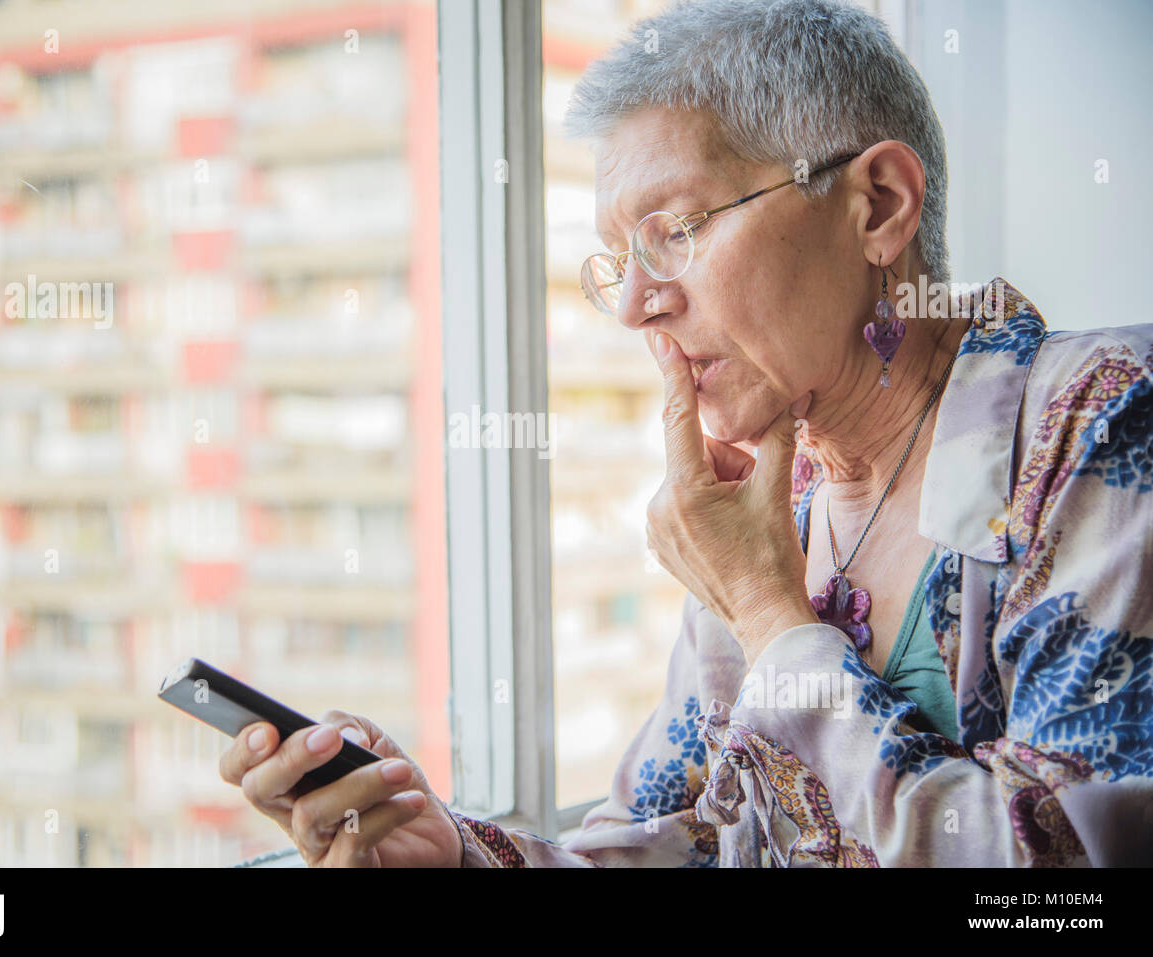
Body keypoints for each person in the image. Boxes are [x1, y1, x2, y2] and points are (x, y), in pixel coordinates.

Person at [217, 0, 1153, 866]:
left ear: (878, 205)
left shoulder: (1099, 419)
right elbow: (680, 843)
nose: (633, 305)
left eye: (675, 229)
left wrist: (771, 617)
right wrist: (453, 854)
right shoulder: (769, 500)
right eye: (618, 259)